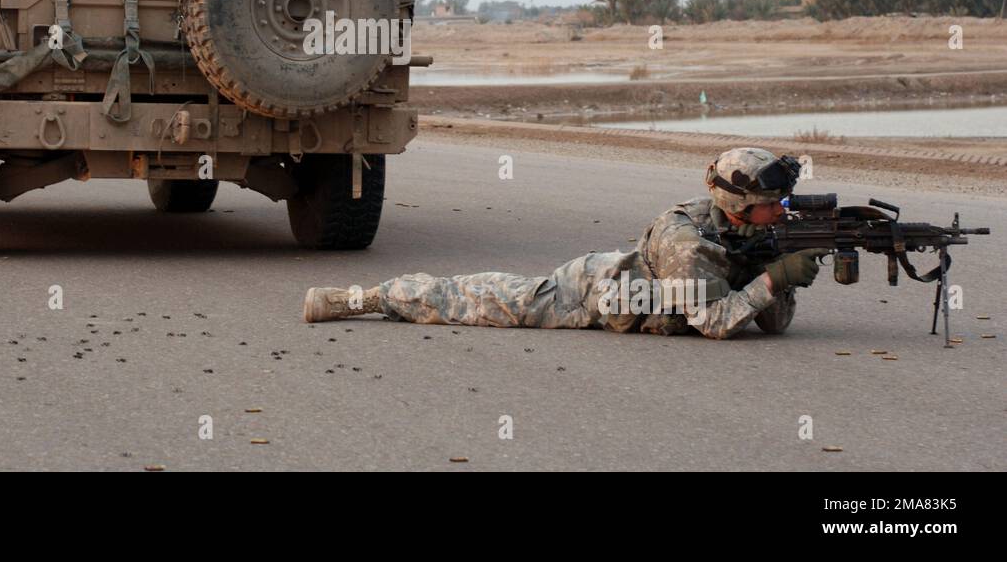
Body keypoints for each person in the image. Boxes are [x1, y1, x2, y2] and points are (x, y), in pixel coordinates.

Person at [303, 147, 829, 339]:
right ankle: (365, 298)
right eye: (773, 202)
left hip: (645, 298)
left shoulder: (752, 231)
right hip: (587, 293)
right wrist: (773, 279)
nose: (782, 210)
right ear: (736, 204)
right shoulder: (686, 244)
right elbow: (715, 323)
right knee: (470, 300)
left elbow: (771, 323)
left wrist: (778, 275)